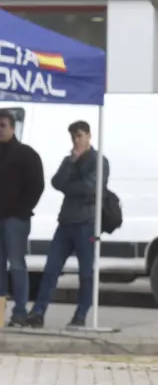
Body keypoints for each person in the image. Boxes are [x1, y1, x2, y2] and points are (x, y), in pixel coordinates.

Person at [25, 120, 108, 329]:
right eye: (73, 137)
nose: (76, 141)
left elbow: (91, 188)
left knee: (86, 273)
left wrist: (69, 186)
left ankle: (80, 315)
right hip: (66, 222)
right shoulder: (69, 160)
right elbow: (56, 182)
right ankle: (38, 312)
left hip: (87, 223)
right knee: (51, 269)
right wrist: (72, 162)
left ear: (89, 136)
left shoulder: (99, 161)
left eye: (80, 136)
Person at [0, 110, 44, 327]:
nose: (0, 130)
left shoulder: (26, 154)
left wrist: (21, 209)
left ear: (13, 127)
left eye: (3, 125)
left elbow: (37, 185)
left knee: (16, 264)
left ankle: (19, 312)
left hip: (16, 220)